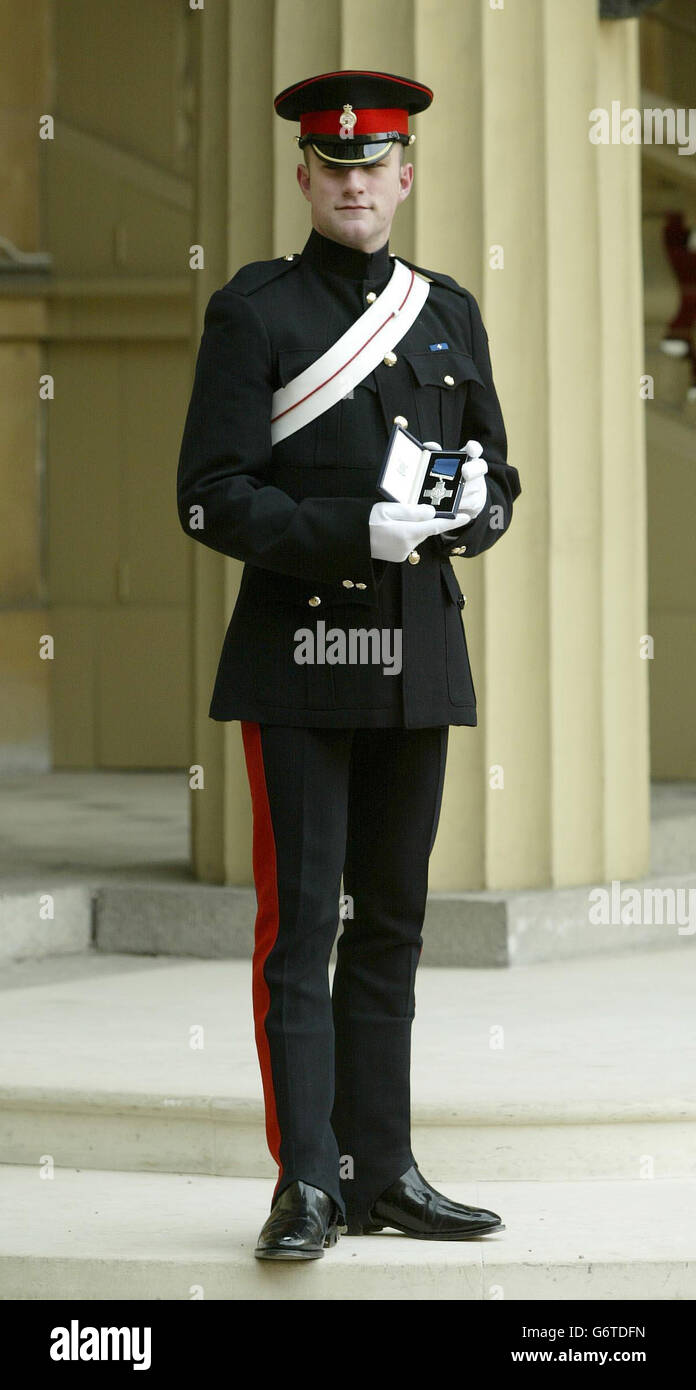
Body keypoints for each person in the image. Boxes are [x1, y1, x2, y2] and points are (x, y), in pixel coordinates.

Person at [177, 69, 521, 1260]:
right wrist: (340, 532)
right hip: (300, 657)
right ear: (307, 178)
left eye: (375, 166)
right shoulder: (255, 312)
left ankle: (388, 1170)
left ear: (405, 177)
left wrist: (481, 509)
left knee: (396, 924)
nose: (356, 182)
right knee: (302, 928)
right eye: (335, 167)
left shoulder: (449, 311)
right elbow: (208, 499)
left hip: (415, 651)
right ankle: (308, 1184)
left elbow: (496, 469)